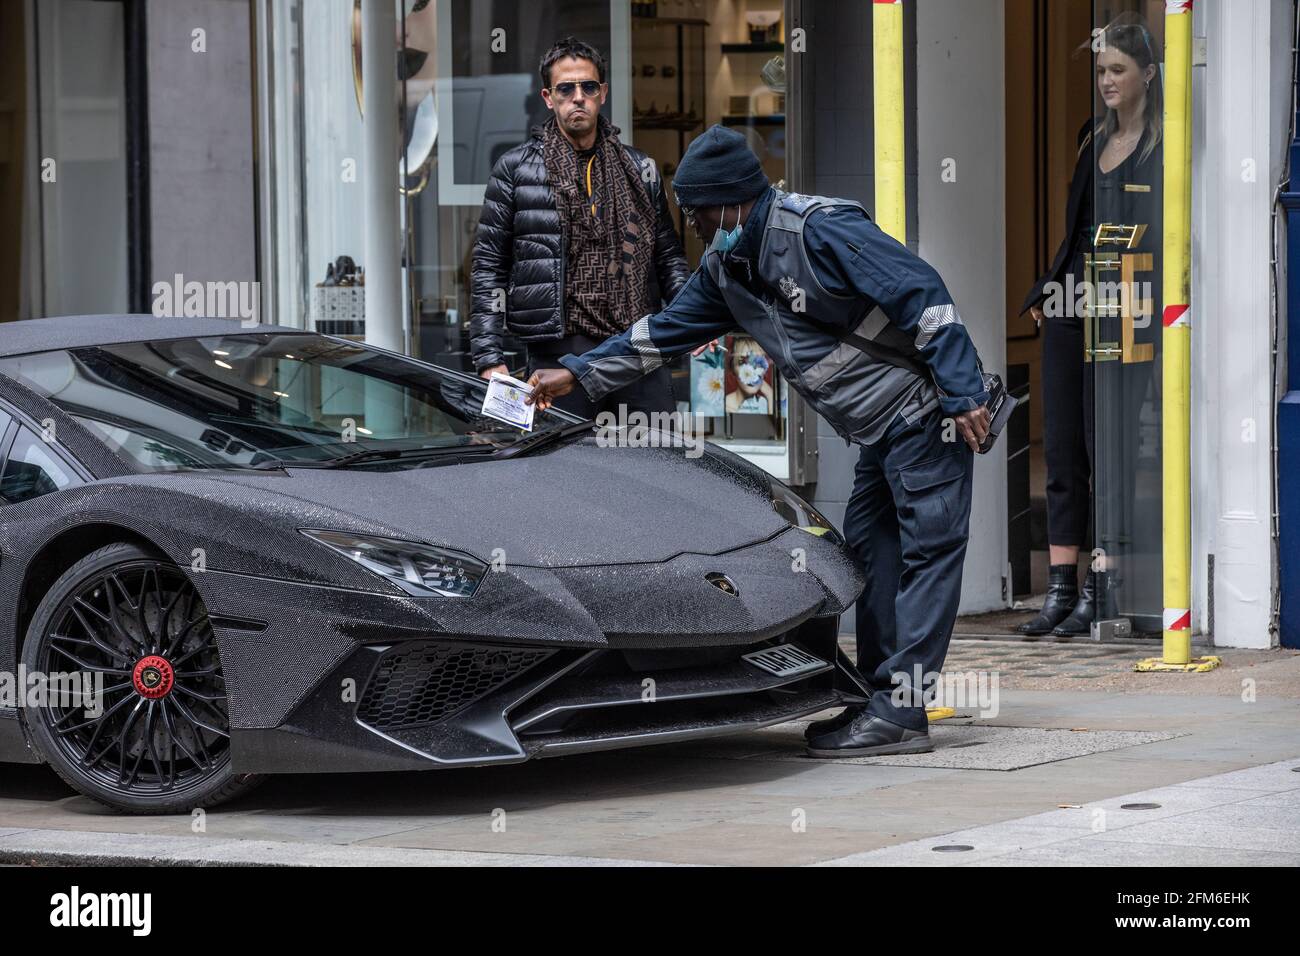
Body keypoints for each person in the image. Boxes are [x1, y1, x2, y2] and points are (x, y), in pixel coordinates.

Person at [526, 125, 991, 757]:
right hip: (879, 434)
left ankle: (902, 712)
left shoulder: (820, 231)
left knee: (927, 558)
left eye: (693, 210)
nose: (688, 223)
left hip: (926, 417)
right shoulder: (728, 270)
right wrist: (575, 374)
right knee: (873, 556)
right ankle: (876, 700)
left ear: (727, 201)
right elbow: (658, 336)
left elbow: (925, 294)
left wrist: (963, 393)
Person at [1017, 20, 1163, 636]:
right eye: (1101, 71)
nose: (1106, 81)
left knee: (1110, 447)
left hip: (1125, 300)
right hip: (1071, 297)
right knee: (1063, 445)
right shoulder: (1089, 139)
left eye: (1118, 70)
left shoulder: (1162, 146)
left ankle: (1103, 587)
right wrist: (1048, 285)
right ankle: (1059, 589)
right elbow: (1074, 226)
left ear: (1147, 75)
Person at [470, 36, 690, 418]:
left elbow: (667, 255)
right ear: (547, 97)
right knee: (565, 471)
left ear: (602, 93)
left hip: (633, 348)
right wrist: (489, 357)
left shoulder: (640, 170)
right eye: (566, 88)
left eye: (588, 87)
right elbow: (489, 267)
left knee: (656, 464)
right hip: (556, 352)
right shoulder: (515, 170)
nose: (578, 97)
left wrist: (690, 317)